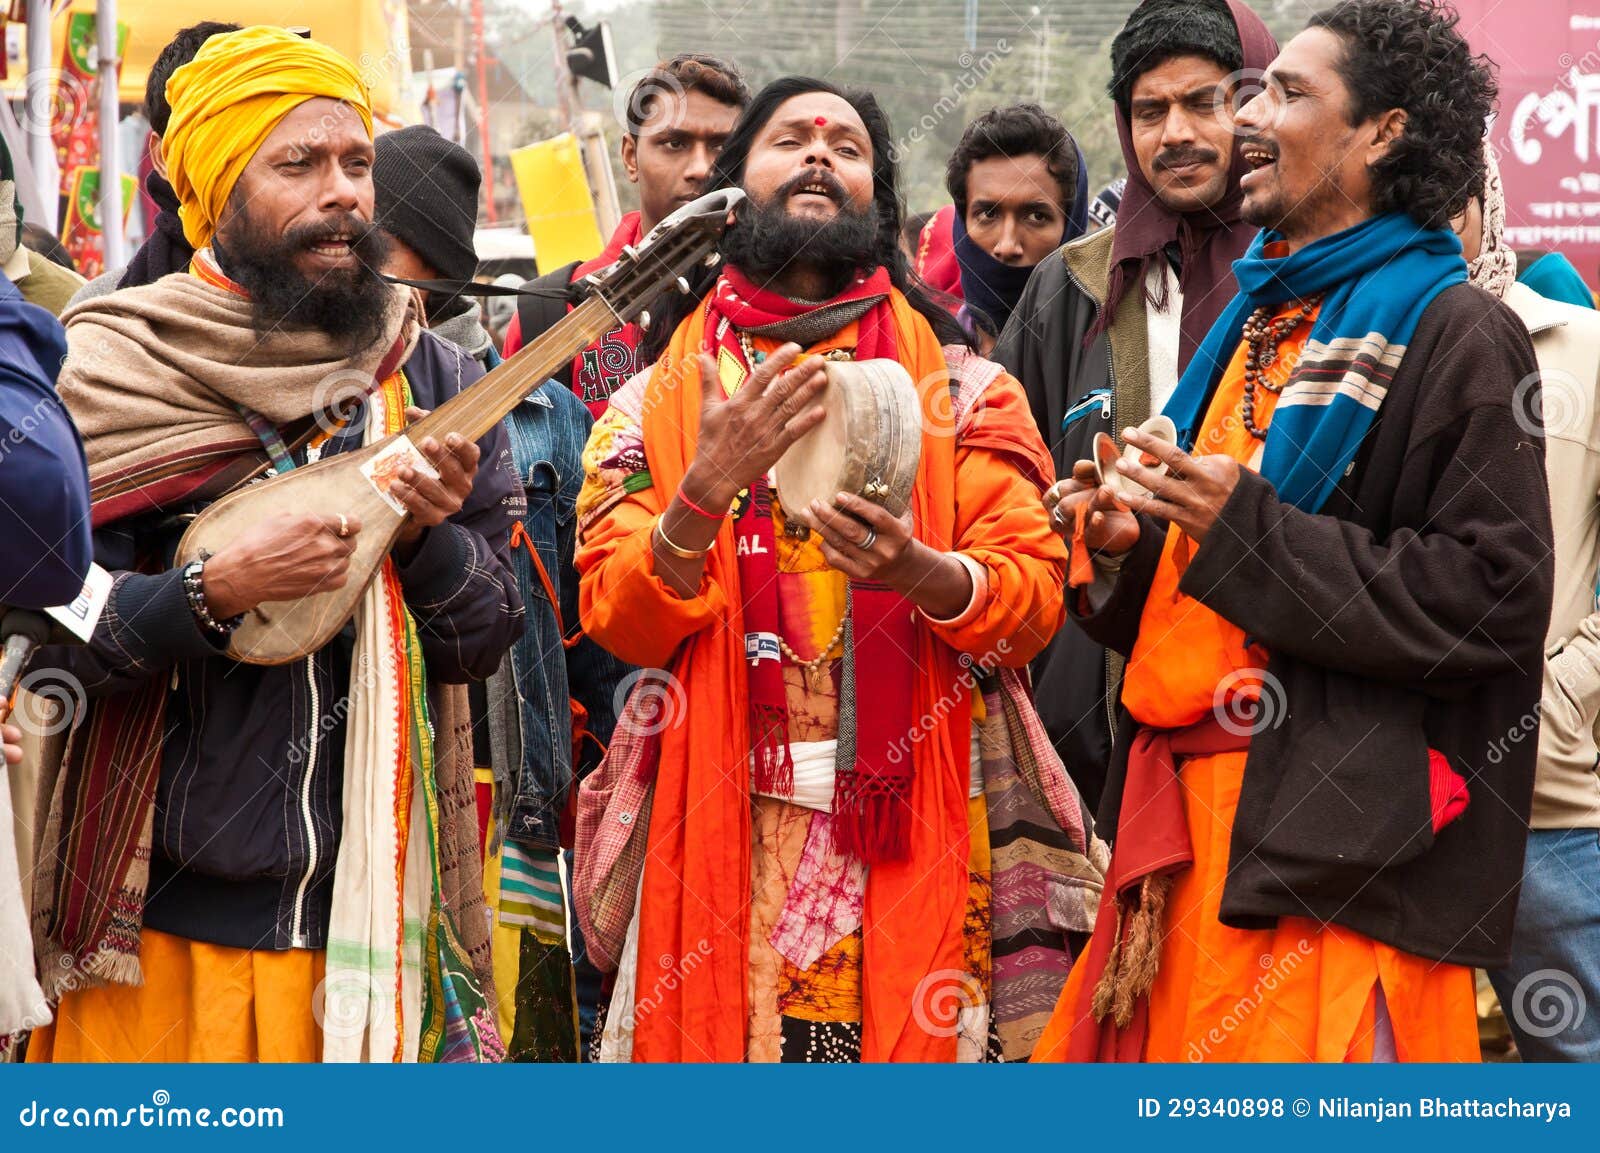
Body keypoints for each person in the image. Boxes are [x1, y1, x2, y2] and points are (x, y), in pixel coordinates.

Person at [1033, 0, 1552, 1062]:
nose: (1246, 118)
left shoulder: (1460, 332)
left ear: (1382, 133)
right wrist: (1127, 543)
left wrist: (1243, 527)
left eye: (1285, 93)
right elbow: (1197, 598)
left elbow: (1492, 600)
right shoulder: (1253, 319)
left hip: (1329, 867)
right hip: (1181, 841)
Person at [25, 26, 523, 1063]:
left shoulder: (427, 374)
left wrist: (423, 537)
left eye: (356, 163)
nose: (342, 193)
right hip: (153, 938)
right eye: (297, 164)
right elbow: (43, 635)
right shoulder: (107, 368)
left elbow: (485, 639)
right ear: (217, 191)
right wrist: (209, 593)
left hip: (373, 924)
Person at [576, 75, 1092, 1063]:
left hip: (920, 829)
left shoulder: (963, 391)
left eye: (847, 146)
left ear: (878, 202)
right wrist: (703, 489)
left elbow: (1030, 602)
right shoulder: (652, 403)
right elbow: (617, 618)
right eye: (790, 138)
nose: (819, 151)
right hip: (717, 835)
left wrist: (922, 572)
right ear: (733, 192)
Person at [371, 121, 632, 1061]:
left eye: (380, 241)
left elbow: (591, 641)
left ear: (434, 265)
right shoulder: (329, 397)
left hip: (509, 790)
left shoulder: (549, 413)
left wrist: (594, 793)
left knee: (509, 1042)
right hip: (371, 778)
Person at [993, 0, 1276, 812]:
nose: (1174, 133)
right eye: (1151, 111)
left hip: (1273, 713)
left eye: (1204, 102)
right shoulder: (1070, 287)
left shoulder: (1310, 275)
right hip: (1094, 727)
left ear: (1259, 105)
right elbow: (1005, 488)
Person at [1460, 148, 1600, 1062]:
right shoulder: (1331, 361)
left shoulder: (1582, 349)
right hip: (1378, 806)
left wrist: (1561, 697)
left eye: (1448, 200)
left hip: (1544, 805)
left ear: (1486, 202)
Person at [501, 53, 749, 415]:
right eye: (674, 143)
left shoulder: (782, 297)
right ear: (631, 157)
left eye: (722, 147)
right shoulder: (551, 313)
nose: (701, 168)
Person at [67, 20, 241, 307]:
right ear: (163, 157)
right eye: (217, 138)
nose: (240, 157)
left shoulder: (317, 290)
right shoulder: (105, 304)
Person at [943, 103, 1087, 350]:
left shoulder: (1109, 354)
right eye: (988, 214)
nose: (1007, 246)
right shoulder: (924, 354)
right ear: (962, 223)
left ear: (1070, 227)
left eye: (1036, 217)